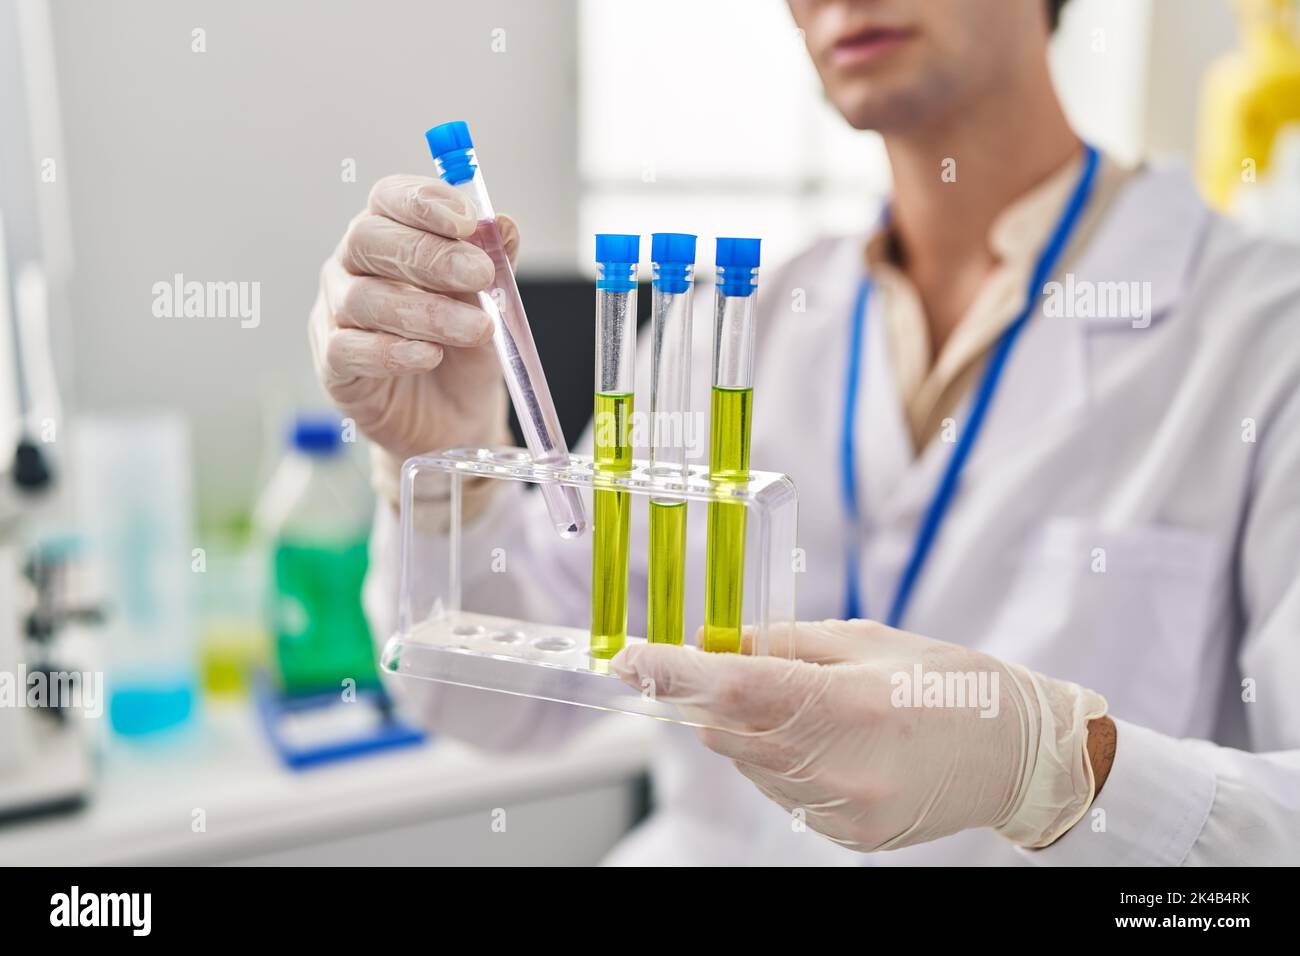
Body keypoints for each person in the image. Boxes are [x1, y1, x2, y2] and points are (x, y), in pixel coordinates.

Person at [309, 0, 1300, 864]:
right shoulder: (721, 326)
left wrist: (1054, 769)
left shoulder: (1262, 336)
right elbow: (496, 700)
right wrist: (434, 465)